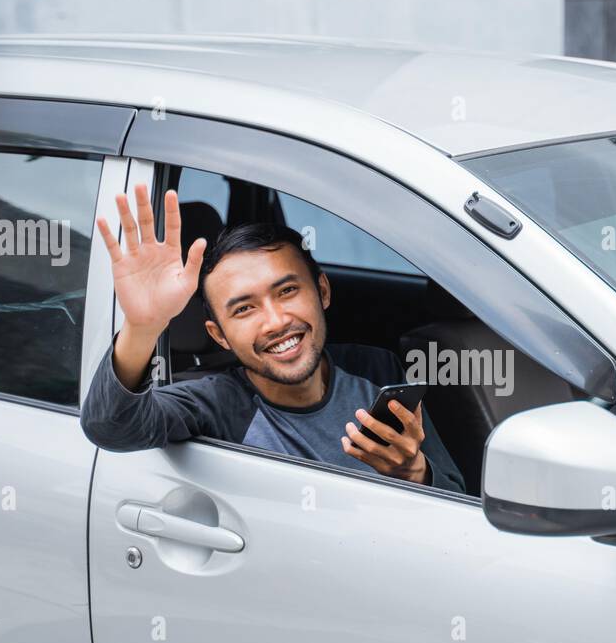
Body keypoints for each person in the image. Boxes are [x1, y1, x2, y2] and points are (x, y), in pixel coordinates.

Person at [82, 185, 464, 492]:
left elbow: (454, 492)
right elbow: (110, 426)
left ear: (323, 292)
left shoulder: (376, 368)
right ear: (219, 336)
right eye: (244, 309)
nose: (276, 322)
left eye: (287, 292)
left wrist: (414, 472)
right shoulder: (215, 401)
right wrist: (143, 328)